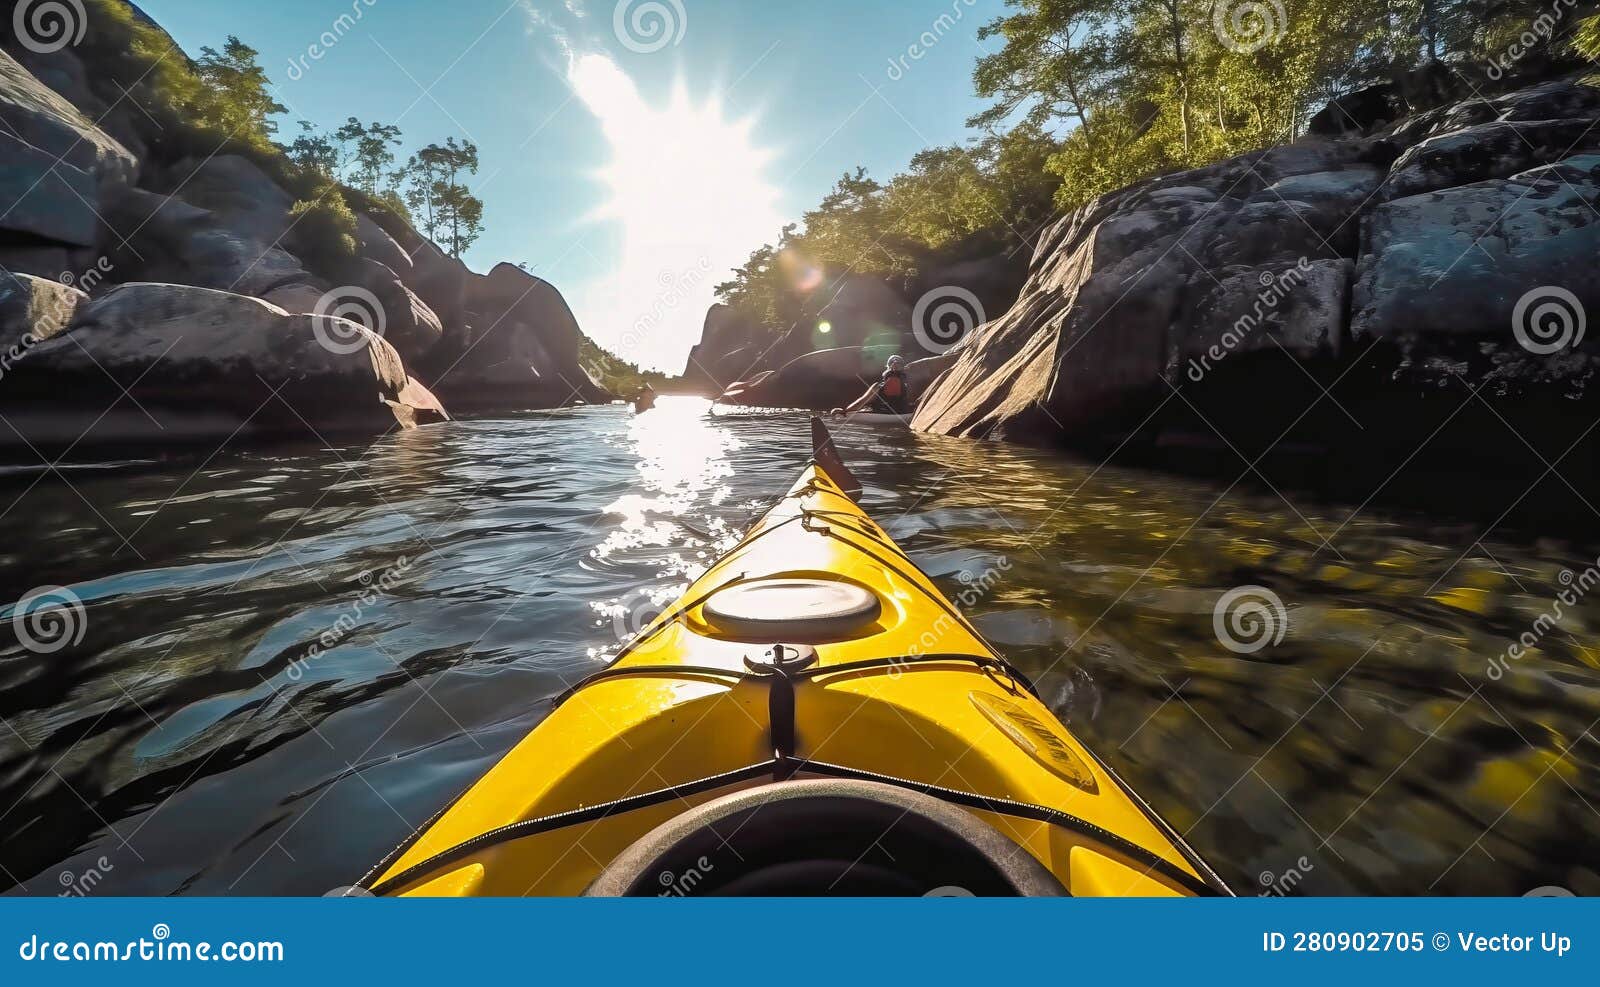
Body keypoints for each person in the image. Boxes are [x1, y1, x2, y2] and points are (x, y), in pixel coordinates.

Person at [832, 355, 909, 418]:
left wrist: (845, 411)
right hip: (903, 413)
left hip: (882, 414)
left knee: (839, 412)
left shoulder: (878, 386)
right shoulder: (906, 384)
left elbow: (862, 401)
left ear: (887, 368)